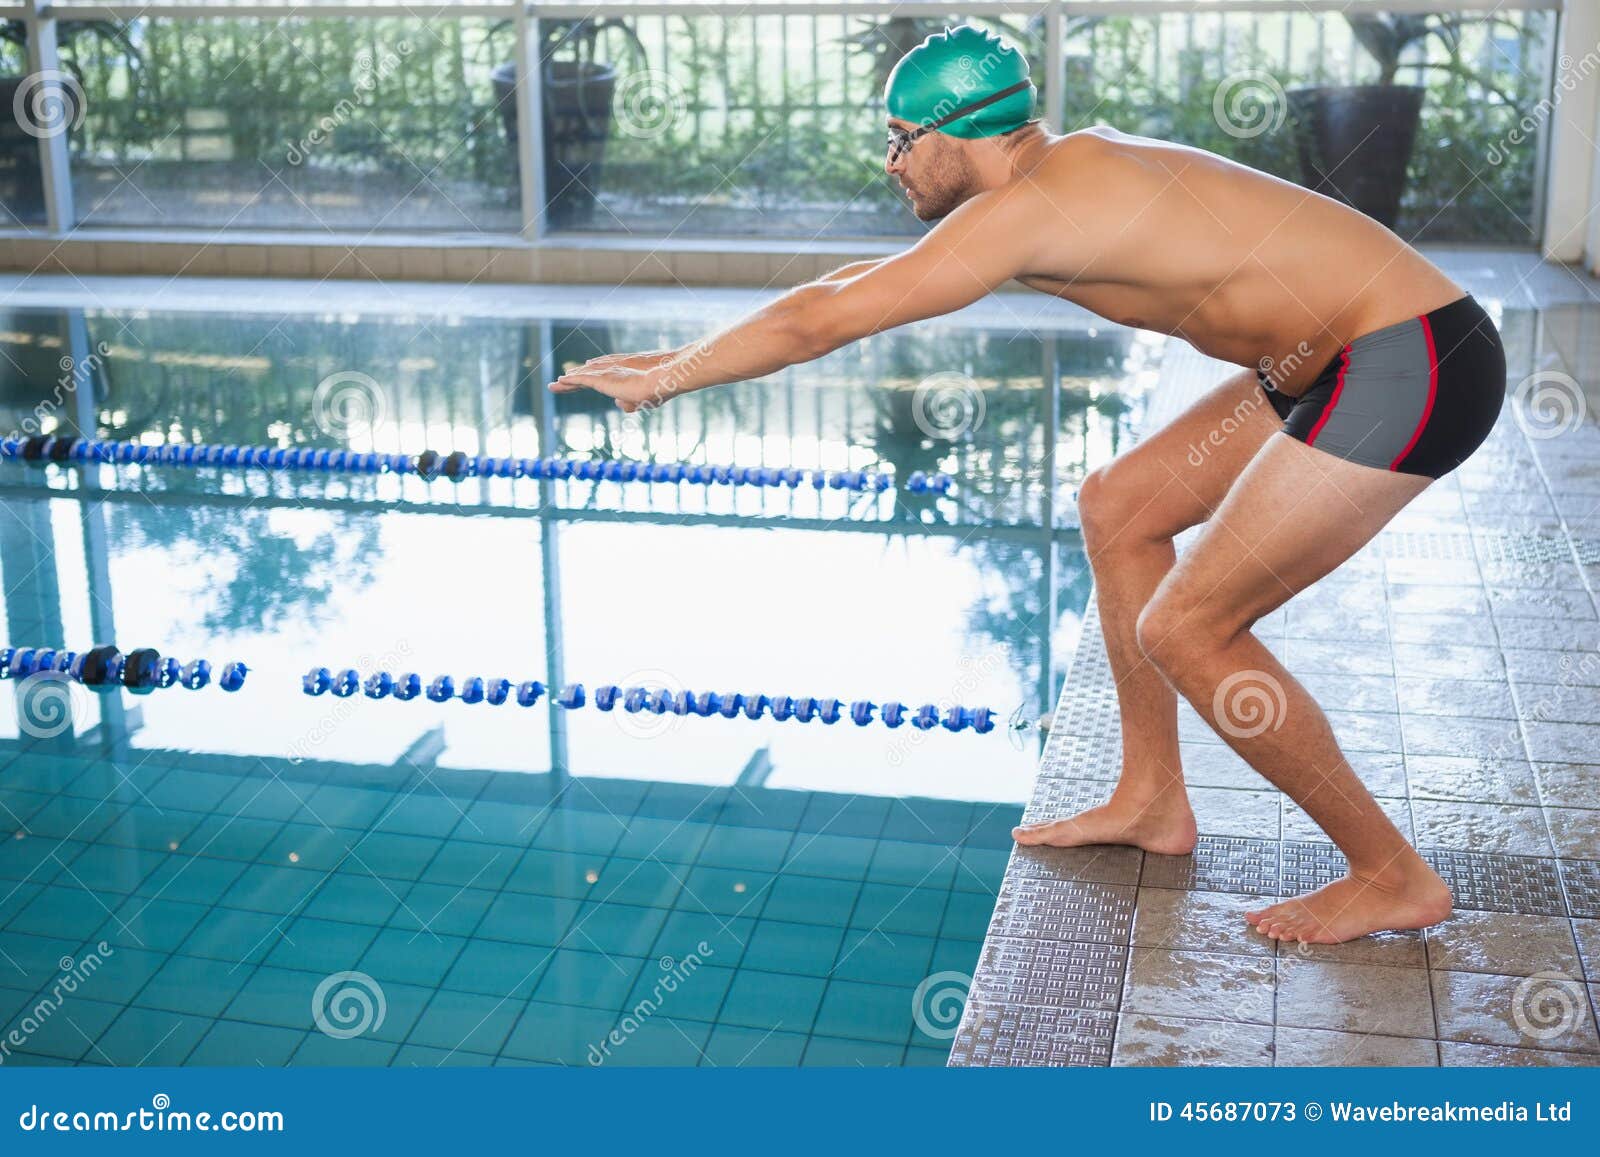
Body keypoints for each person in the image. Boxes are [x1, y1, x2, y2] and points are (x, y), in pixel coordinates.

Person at [549, 25, 1507, 944]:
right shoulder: (1049, 180)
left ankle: (1392, 873)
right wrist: (678, 354)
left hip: (1412, 355)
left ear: (958, 129)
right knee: (1121, 506)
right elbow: (851, 284)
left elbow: (827, 320)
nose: (891, 162)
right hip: (1325, 357)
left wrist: (667, 382)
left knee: (1185, 627)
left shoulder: (1041, 203)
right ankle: (1151, 797)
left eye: (900, 139)